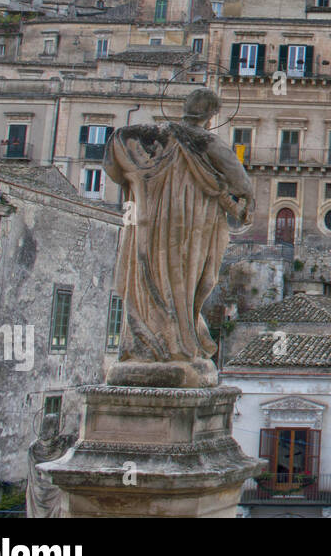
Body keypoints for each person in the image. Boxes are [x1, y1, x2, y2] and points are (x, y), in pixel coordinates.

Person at [103, 88, 253, 387]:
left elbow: (112, 162)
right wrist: (243, 205)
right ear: (210, 116)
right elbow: (242, 182)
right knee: (189, 281)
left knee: (146, 280)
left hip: (148, 228)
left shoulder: (146, 138)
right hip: (187, 230)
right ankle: (180, 343)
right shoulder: (204, 141)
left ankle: (147, 344)